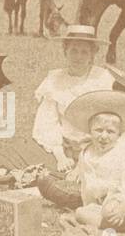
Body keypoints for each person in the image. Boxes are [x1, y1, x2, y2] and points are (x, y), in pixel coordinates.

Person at [35, 90, 125, 230]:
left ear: (119, 135)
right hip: (98, 205)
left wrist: (124, 205)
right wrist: (89, 204)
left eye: (110, 132)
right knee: (82, 213)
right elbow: (87, 187)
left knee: (114, 211)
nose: (104, 136)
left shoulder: (123, 154)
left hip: (124, 201)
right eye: (98, 130)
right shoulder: (86, 153)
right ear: (90, 131)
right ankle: (121, 226)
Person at [30, 24, 115, 171]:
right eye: (73, 51)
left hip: (99, 146)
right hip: (66, 148)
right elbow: (47, 122)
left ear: (92, 55)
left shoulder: (102, 79)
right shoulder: (55, 80)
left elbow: (109, 121)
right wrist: (61, 157)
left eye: (84, 52)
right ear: (65, 52)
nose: (78, 57)